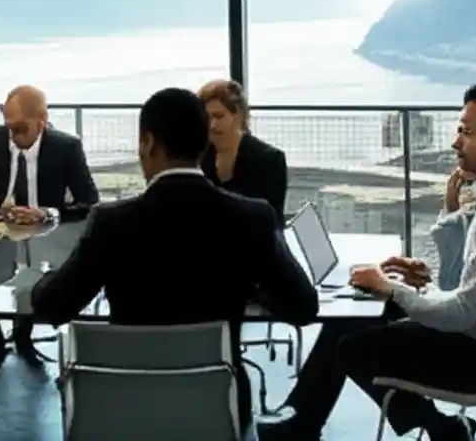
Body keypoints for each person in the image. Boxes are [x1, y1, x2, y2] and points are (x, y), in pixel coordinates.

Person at [260, 84, 476, 441]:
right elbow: (471, 286)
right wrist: (421, 284)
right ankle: (303, 423)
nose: (456, 143)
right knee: (348, 321)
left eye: (467, 132)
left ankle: (445, 429)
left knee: (352, 348)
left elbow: (460, 313)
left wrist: (390, 288)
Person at [30, 87, 319, 432]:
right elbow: (304, 306)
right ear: (203, 143)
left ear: (148, 143)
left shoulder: (112, 222)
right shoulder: (253, 217)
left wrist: (41, 275)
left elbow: (52, 307)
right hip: (218, 411)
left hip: (125, 409)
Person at [0, 84, 100, 388]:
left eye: (20, 128)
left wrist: (48, 214)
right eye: (8, 126)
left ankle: (24, 337)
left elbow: (89, 203)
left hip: (48, 244)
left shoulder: (66, 147)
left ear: (42, 120)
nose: (13, 135)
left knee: (46, 279)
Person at [198, 79, 289, 218]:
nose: (212, 125)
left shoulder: (269, 159)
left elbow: (272, 218)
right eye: (207, 118)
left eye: (219, 116)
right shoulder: (198, 157)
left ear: (238, 116)